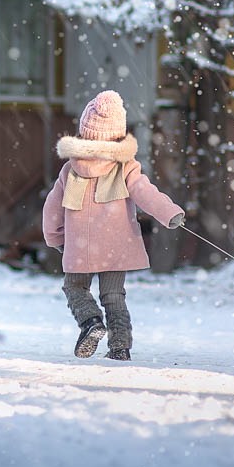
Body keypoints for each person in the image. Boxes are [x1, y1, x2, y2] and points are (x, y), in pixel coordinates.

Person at [42, 90, 184, 361]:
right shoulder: (126, 166)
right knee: (114, 295)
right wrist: (170, 214)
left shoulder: (71, 169)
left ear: (85, 131)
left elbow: (52, 206)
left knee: (75, 288)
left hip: (80, 246)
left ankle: (91, 323)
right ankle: (120, 347)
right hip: (116, 246)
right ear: (118, 132)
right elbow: (145, 192)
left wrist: (55, 238)